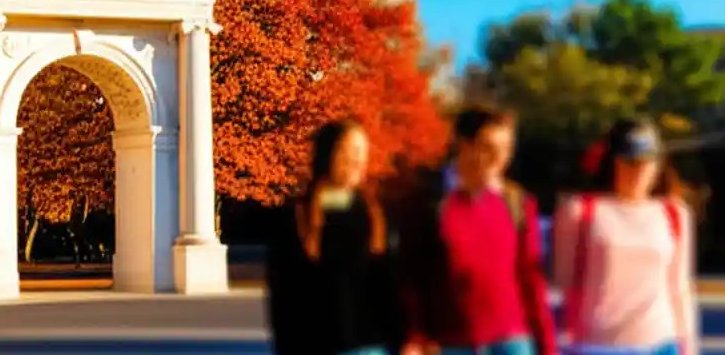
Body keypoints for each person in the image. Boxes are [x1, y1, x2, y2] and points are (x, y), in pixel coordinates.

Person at [399, 107, 556, 355]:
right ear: (463, 145)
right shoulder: (430, 203)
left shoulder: (518, 203)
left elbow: (531, 279)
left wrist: (548, 347)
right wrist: (416, 336)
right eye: (489, 147)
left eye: (506, 148)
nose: (499, 158)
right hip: (452, 343)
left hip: (513, 341)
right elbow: (412, 278)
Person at [554, 119, 698, 355]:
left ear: (658, 165)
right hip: (594, 345)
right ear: (613, 163)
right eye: (629, 162)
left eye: (647, 161)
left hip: (660, 343)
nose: (638, 170)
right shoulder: (579, 212)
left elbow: (679, 287)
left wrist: (689, 347)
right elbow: (562, 284)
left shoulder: (674, 214)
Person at [267, 119, 401, 355]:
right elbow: (283, 297)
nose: (357, 160)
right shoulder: (297, 218)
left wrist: (399, 340)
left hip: (369, 346)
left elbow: (388, 285)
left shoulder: (373, 214)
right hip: (313, 345)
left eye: (362, 151)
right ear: (327, 154)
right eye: (349, 150)